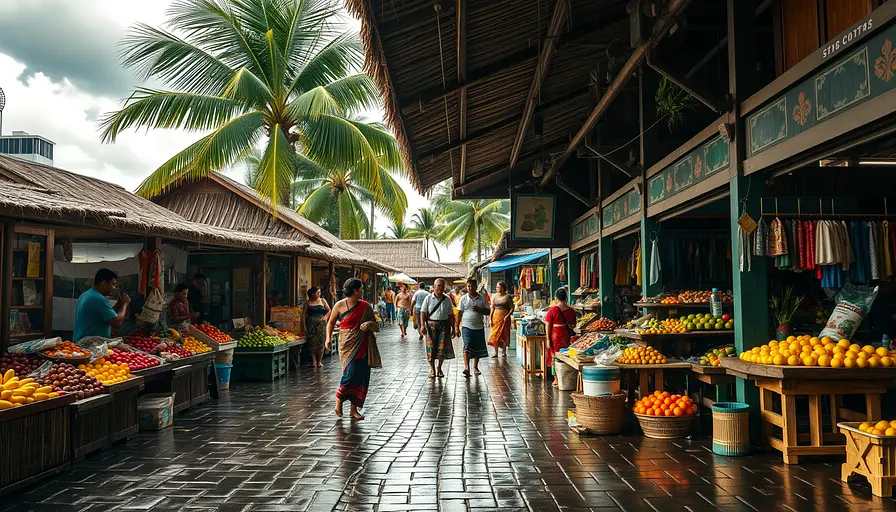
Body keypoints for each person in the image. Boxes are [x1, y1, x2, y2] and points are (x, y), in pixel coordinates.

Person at [326, 278, 381, 421]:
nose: (363, 291)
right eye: (361, 288)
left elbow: (376, 325)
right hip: (346, 345)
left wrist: (369, 324)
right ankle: (339, 398)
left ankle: (353, 409)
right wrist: (327, 338)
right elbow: (331, 323)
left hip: (362, 345)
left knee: (361, 377)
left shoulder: (366, 306)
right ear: (355, 291)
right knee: (349, 374)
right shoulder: (339, 305)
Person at [74, 268, 130, 341]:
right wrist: (125, 304)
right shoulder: (99, 299)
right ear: (104, 284)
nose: (114, 288)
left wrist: (119, 303)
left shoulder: (86, 294)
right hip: (89, 345)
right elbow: (117, 322)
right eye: (113, 284)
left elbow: (108, 314)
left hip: (81, 341)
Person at [419, 278, 456, 378]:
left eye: (442, 286)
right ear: (434, 287)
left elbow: (451, 315)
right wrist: (422, 325)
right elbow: (423, 313)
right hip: (431, 327)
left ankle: (439, 368)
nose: (440, 288)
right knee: (430, 348)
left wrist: (453, 328)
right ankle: (432, 369)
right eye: (438, 286)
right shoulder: (428, 298)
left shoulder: (447, 299)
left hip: (444, 326)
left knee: (442, 348)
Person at [457, 278, 490, 377]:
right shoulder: (463, 299)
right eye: (468, 286)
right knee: (467, 345)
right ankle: (466, 367)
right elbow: (459, 313)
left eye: (472, 286)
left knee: (477, 347)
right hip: (466, 327)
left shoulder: (482, 298)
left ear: (476, 287)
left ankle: (475, 367)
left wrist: (480, 309)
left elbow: (488, 312)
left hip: (479, 326)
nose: (470, 288)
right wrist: (456, 327)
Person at [545, 288, 577, 387]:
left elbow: (548, 325)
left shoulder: (552, 309)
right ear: (566, 297)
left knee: (554, 356)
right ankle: (565, 377)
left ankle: (556, 379)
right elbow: (573, 325)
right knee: (565, 355)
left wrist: (548, 339)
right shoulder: (571, 310)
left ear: (556, 297)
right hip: (566, 335)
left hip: (555, 335)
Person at [305, 286, 331, 368]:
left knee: (321, 341)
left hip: (321, 324)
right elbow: (303, 314)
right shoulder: (307, 302)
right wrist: (303, 326)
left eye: (320, 292)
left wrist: (326, 317)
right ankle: (313, 360)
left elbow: (329, 310)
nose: (319, 294)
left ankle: (319, 361)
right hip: (311, 324)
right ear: (313, 294)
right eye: (318, 292)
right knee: (311, 342)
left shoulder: (322, 301)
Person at [488, 281, 515, 357]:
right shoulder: (494, 296)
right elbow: (492, 308)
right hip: (496, 317)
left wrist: (507, 316)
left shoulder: (508, 297)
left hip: (505, 318)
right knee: (495, 335)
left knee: (504, 334)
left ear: (503, 288)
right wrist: (490, 319)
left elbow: (512, 308)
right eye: (497, 287)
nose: (497, 289)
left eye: (499, 287)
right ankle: (496, 352)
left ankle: (504, 351)